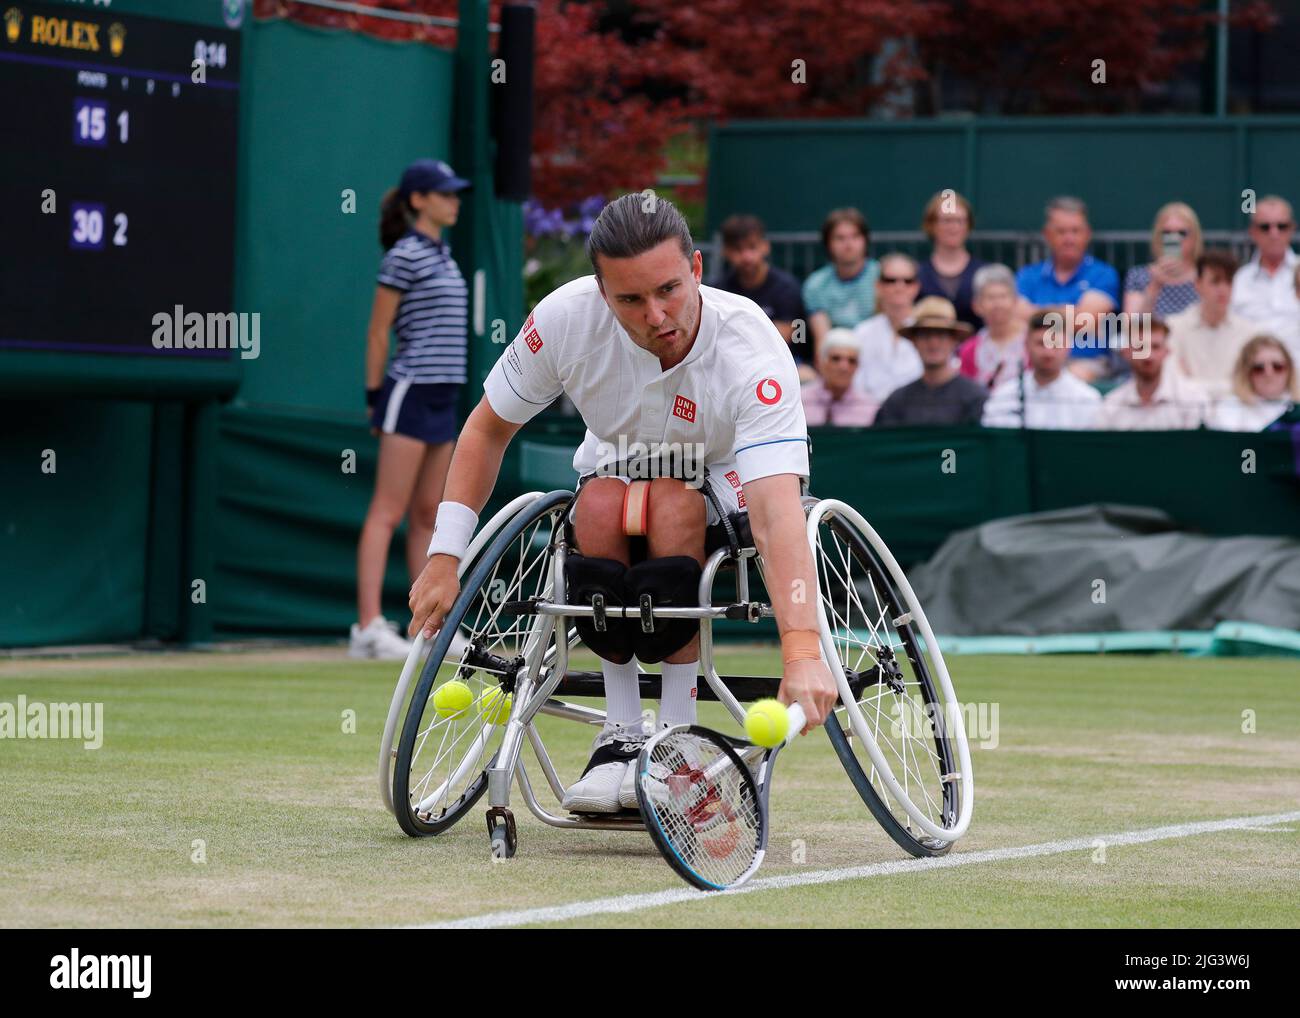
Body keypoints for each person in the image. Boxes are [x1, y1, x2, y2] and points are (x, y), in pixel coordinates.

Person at [406, 194, 838, 815]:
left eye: (668, 290)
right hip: (611, 470)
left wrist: (801, 649)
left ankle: (679, 740)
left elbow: (776, 511)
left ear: (695, 268)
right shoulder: (565, 319)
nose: (656, 315)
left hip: (720, 477)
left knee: (670, 505)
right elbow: (485, 429)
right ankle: (621, 736)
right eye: (631, 300)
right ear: (601, 294)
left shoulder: (750, 347)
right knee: (601, 507)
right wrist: (446, 556)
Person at [351, 159, 472, 660]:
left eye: (455, 193)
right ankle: (368, 628)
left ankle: (426, 628)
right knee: (387, 511)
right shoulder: (402, 256)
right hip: (408, 391)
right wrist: (375, 398)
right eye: (444, 194)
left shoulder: (445, 257)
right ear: (418, 200)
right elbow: (379, 331)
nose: (454, 201)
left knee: (428, 512)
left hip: (444, 394)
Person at [1016, 196, 1121, 382]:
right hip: (1034, 361)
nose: (1069, 238)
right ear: (1047, 234)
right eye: (1061, 231)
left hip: (1086, 362)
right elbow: (1016, 317)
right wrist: (1070, 313)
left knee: (1071, 377)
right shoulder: (1027, 275)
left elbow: (1083, 319)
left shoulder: (1103, 274)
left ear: (1087, 233)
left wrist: (1035, 314)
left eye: (1075, 231)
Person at [711, 214, 811, 378]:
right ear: (726, 252)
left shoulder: (787, 287)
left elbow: (778, 340)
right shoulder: (719, 289)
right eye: (738, 249)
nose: (746, 256)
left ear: (765, 246)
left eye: (752, 247)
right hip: (731, 368)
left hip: (786, 365)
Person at [873, 297, 986, 426]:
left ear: (954, 341)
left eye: (941, 335)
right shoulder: (897, 401)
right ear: (914, 342)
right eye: (925, 335)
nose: (933, 343)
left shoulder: (975, 397)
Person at [981, 309, 1102, 429]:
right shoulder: (1004, 397)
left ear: (1068, 345)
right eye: (1041, 344)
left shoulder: (1086, 400)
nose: (1048, 353)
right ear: (1027, 344)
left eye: (1055, 344)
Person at [1164, 249, 1254, 399]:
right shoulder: (1173, 327)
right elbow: (1174, 384)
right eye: (1215, 281)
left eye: (1228, 282)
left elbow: (1248, 386)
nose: (1223, 289)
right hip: (1186, 414)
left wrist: (1192, 385)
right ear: (1198, 284)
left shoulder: (1249, 332)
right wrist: (1229, 387)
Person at [1096, 318, 1209, 430]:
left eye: (1155, 347)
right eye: (1140, 347)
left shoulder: (1193, 399)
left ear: (1167, 351)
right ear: (1126, 352)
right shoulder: (1111, 406)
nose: (1148, 356)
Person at [802, 207, 881, 361]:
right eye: (840, 238)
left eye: (855, 236)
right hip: (838, 360)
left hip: (876, 358)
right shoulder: (815, 285)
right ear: (828, 244)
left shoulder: (883, 276)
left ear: (865, 240)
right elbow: (822, 342)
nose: (848, 244)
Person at [1230, 196, 1300, 361]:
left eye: (1281, 226)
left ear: (1292, 229)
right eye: (1265, 227)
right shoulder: (1239, 280)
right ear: (1252, 232)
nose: (1274, 233)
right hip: (1253, 373)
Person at [850, 252, 923, 405]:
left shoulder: (928, 331)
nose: (899, 286)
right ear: (878, 286)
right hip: (868, 416)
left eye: (907, 281)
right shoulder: (861, 332)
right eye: (891, 280)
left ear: (916, 287)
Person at [917, 190, 987, 331]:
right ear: (931, 225)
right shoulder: (917, 275)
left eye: (960, 221)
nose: (954, 227)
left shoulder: (985, 273)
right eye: (947, 220)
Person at [1121, 202, 1202, 319]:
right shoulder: (1138, 276)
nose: (1174, 238)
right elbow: (1132, 327)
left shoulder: (1205, 277)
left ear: (1194, 237)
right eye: (1167, 233)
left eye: (1182, 233)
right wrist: (1154, 286)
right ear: (1157, 237)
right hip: (1153, 336)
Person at [1207, 335, 1299, 432]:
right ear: (1245, 372)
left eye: (1277, 366)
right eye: (1259, 368)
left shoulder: (1297, 409)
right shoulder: (1228, 410)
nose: (1269, 373)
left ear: (1290, 370)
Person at [957, 264, 1026, 389]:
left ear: (1015, 301)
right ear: (976, 305)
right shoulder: (969, 350)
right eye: (991, 298)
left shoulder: (1033, 343)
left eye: (1003, 296)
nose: (998, 304)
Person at [801, 329, 877, 426]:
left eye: (852, 361)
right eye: (836, 359)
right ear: (819, 362)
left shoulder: (870, 408)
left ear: (858, 366)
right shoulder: (799, 402)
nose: (844, 367)